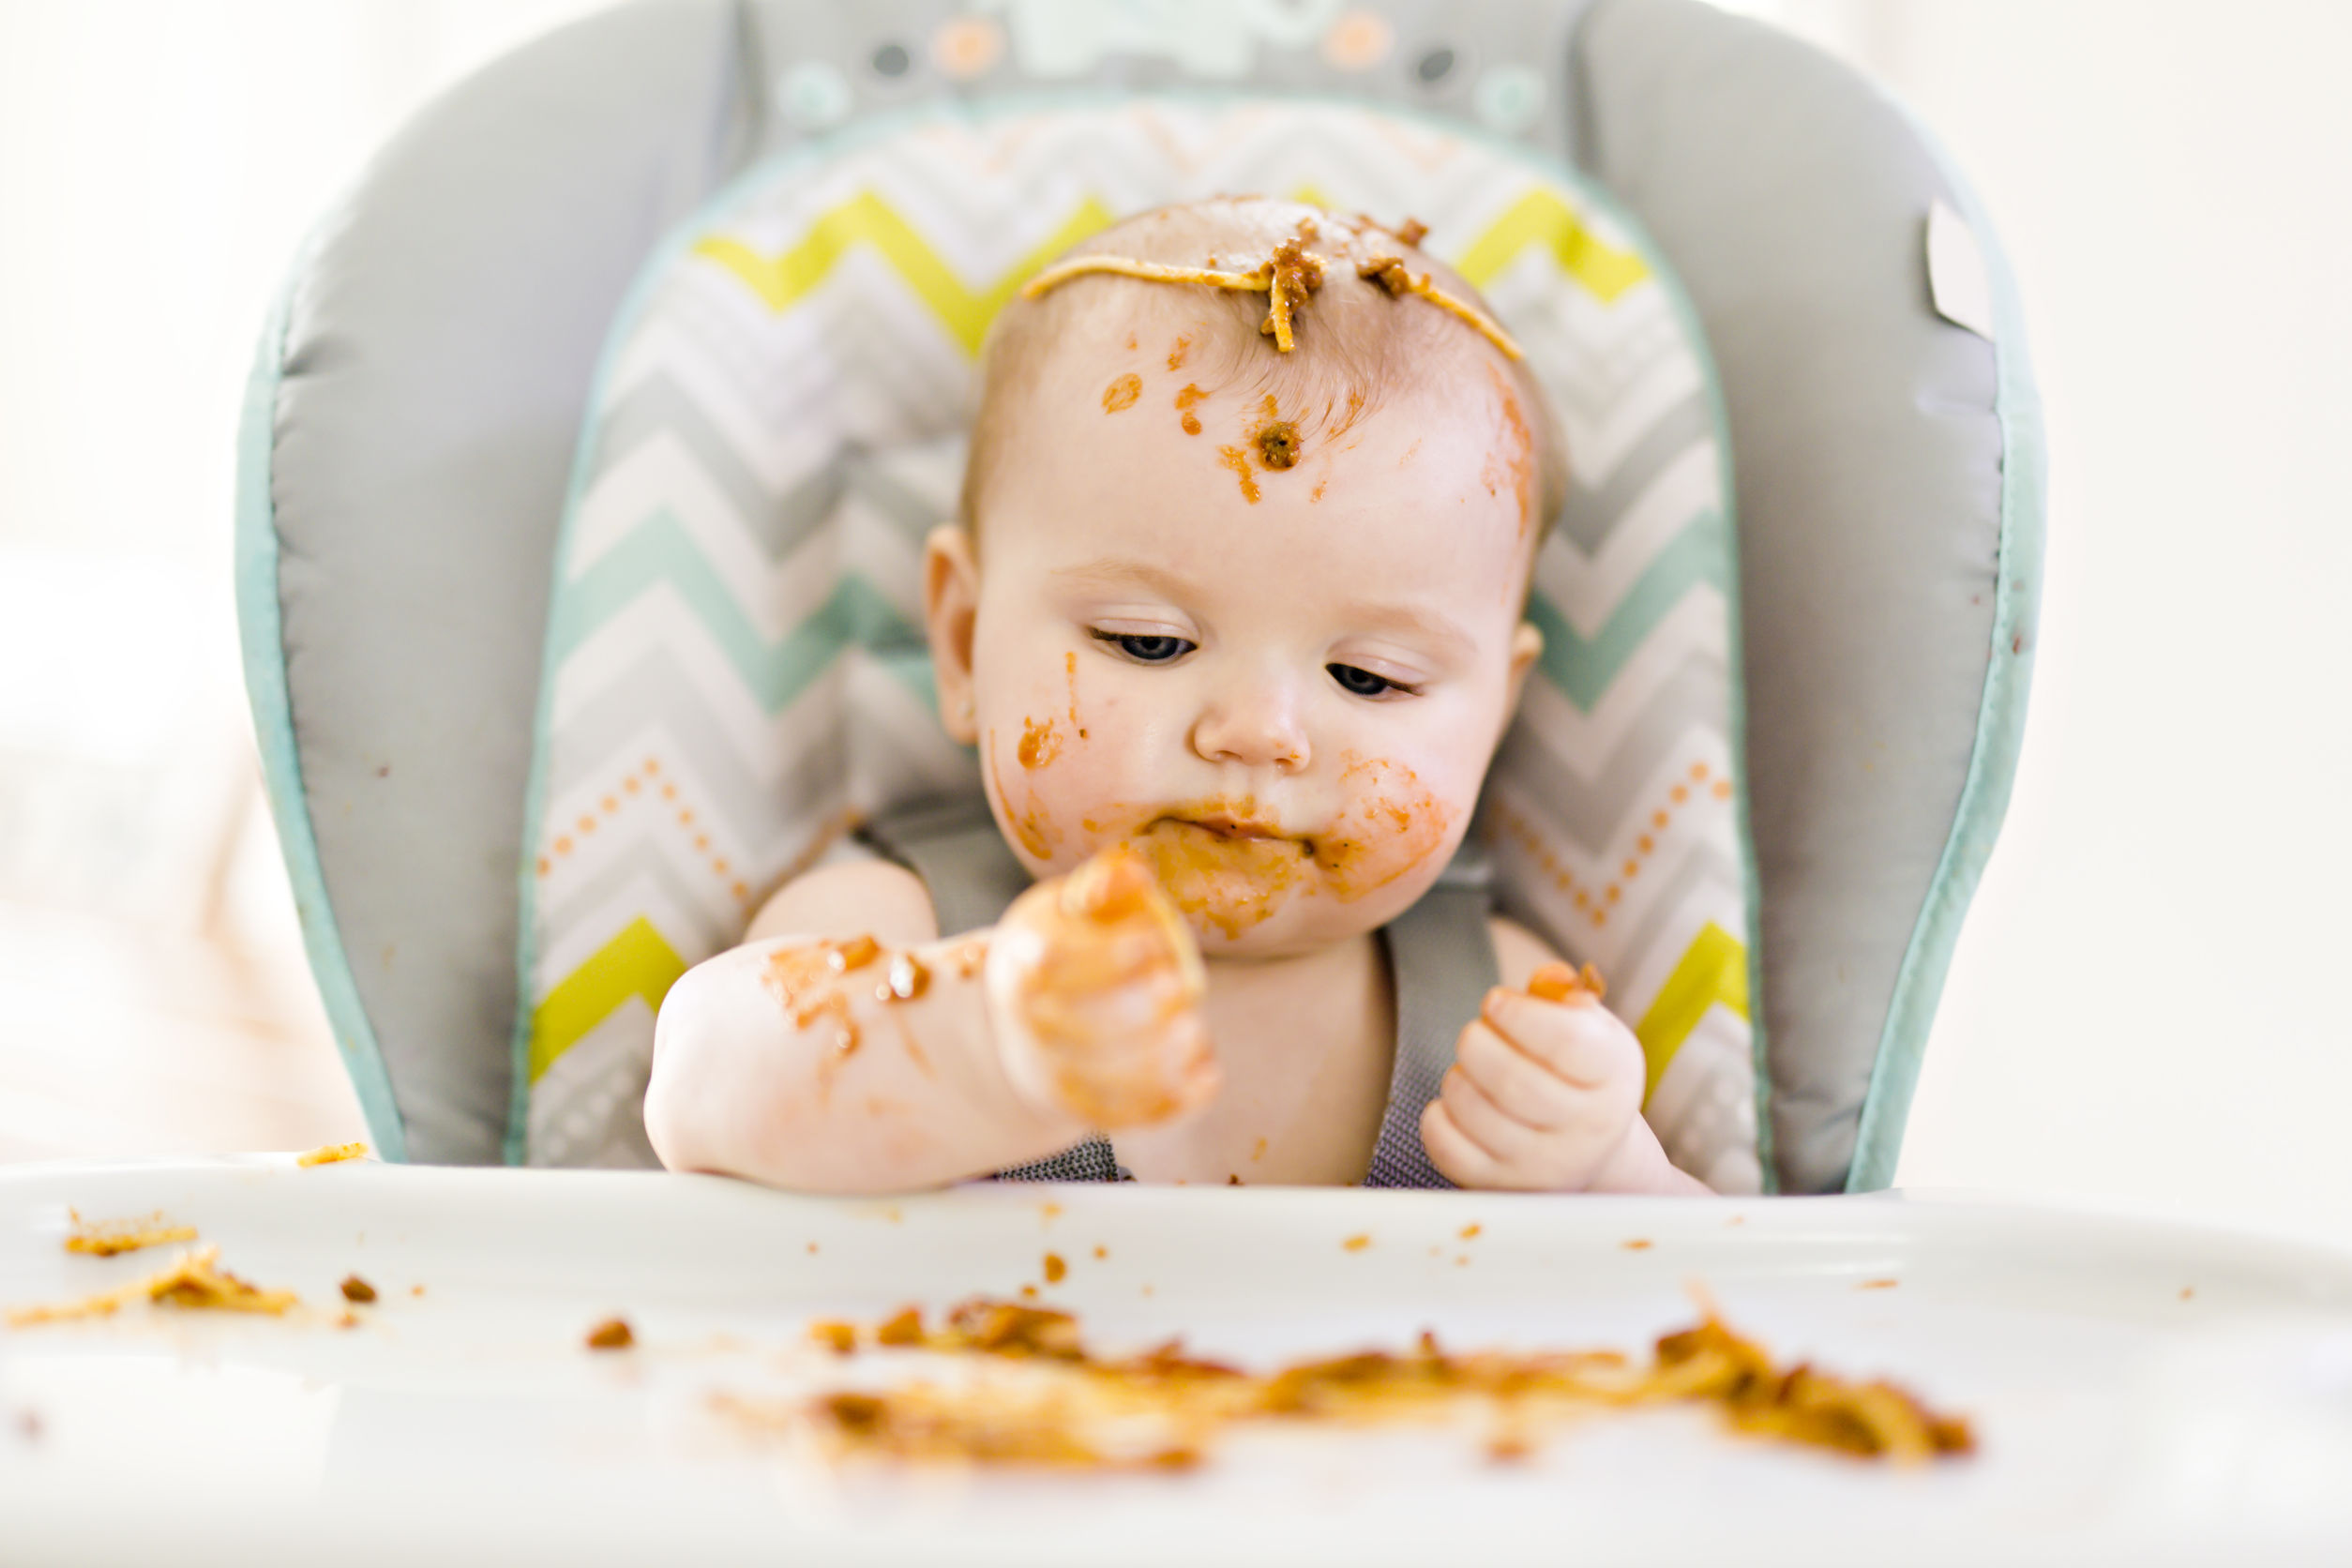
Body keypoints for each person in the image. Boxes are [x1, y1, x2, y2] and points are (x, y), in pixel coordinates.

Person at [643, 197, 1710, 1198]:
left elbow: (1732, 1289)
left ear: (1496, 714)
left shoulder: (1500, 1015)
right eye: (1148, 643)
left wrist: (1616, 1171)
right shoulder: (900, 935)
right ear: (965, 643)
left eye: (1368, 676)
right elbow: (703, 1082)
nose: (1256, 733)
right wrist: (983, 1049)